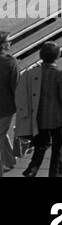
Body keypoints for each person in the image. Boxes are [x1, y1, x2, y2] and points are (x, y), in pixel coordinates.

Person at [23, 42, 62, 178]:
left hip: (39, 117)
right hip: (56, 118)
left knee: (40, 145)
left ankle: (31, 170)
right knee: (57, 148)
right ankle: (56, 174)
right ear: (57, 55)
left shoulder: (34, 72)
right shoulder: (59, 73)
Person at [0, 32, 15, 176]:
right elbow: (15, 85)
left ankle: (10, 161)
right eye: (8, 41)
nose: (11, 43)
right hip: (6, 107)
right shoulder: (10, 62)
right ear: (2, 45)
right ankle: (9, 162)